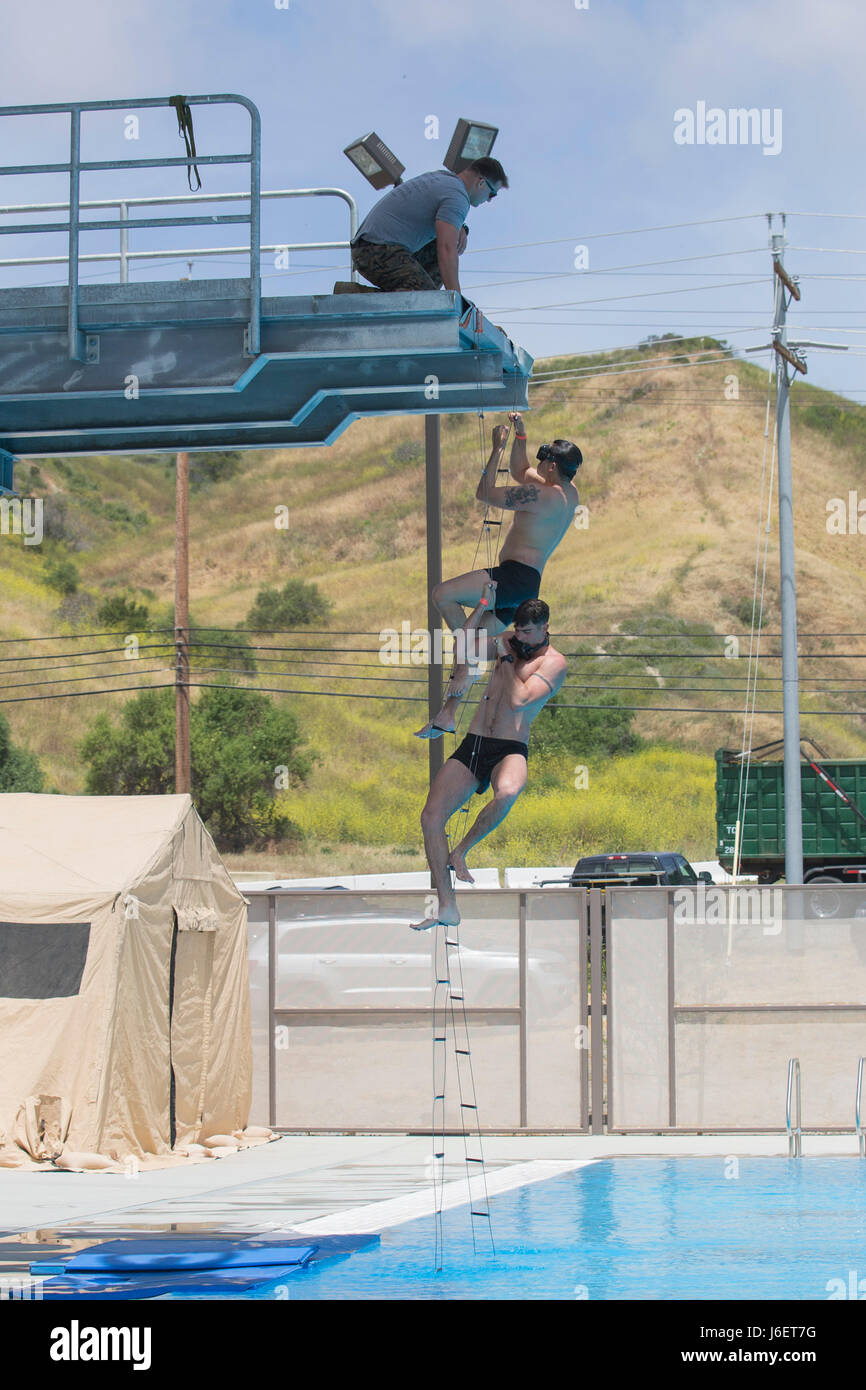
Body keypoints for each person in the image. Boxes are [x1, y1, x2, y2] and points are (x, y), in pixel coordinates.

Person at [417, 412, 581, 737]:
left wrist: (496, 448)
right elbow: (521, 470)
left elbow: (485, 493)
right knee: (472, 646)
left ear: (550, 467)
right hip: (524, 583)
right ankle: (448, 714)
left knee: (442, 595)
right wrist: (520, 436)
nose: (538, 465)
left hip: (512, 578)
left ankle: (469, 656)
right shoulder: (566, 492)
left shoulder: (541, 496)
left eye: (543, 459)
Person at [410, 598, 565, 931]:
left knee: (508, 791)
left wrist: (506, 657)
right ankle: (447, 904)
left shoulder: (554, 663)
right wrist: (481, 609)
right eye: (517, 631)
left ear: (545, 628)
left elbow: (519, 700)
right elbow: (463, 643)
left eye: (527, 633)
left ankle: (461, 850)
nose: (521, 638)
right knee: (431, 816)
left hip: (510, 747)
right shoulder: (506, 641)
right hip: (475, 742)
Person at [349, 158, 508, 295]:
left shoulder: (443, 179)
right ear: (481, 183)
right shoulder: (458, 197)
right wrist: (457, 303)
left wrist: (461, 227)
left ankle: (421, 296)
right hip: (375, 250)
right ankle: (358, 298)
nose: (488, 200)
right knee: (425, 296)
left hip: (371, 246)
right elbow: (446, 249)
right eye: (492, 194)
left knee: (430, 290)